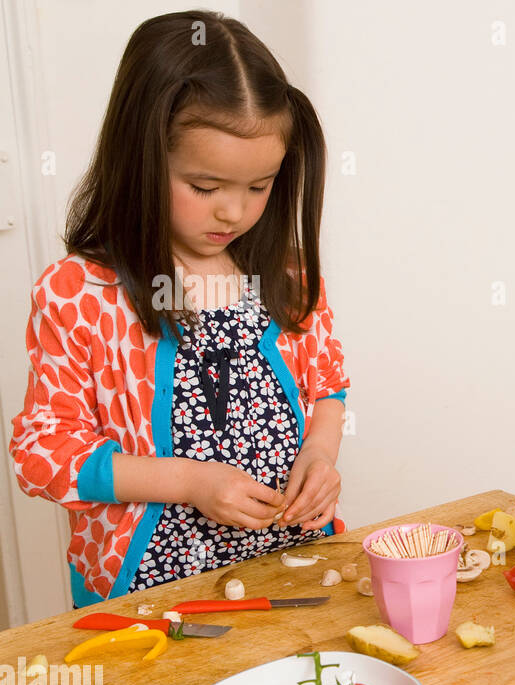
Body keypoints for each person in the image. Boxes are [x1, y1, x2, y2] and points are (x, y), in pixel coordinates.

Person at [9, 10, 348, 605]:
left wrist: (321, 457)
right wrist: (189, 482)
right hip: (149, 597)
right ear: (142, 159)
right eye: (206, 187)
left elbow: (328, 388)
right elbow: (44, 453)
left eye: (259, 186)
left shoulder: (288, 275)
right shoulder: (79, 293)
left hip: (286, 572)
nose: (233, 213)